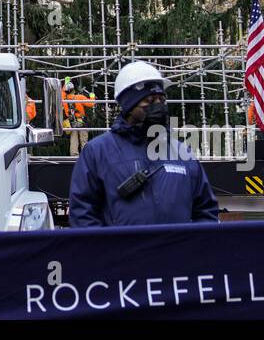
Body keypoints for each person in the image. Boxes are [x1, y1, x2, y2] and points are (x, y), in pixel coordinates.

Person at [69, 61, 219, 227]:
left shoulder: (182, 153)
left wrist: (192, 248)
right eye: (149, 100)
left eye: (161, 99)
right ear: (129, 106)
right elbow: (82, 213)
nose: (158, 106)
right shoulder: (98, 152)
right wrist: (108, 251)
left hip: (177, 252)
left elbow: (205, 211)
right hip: (123, 253)